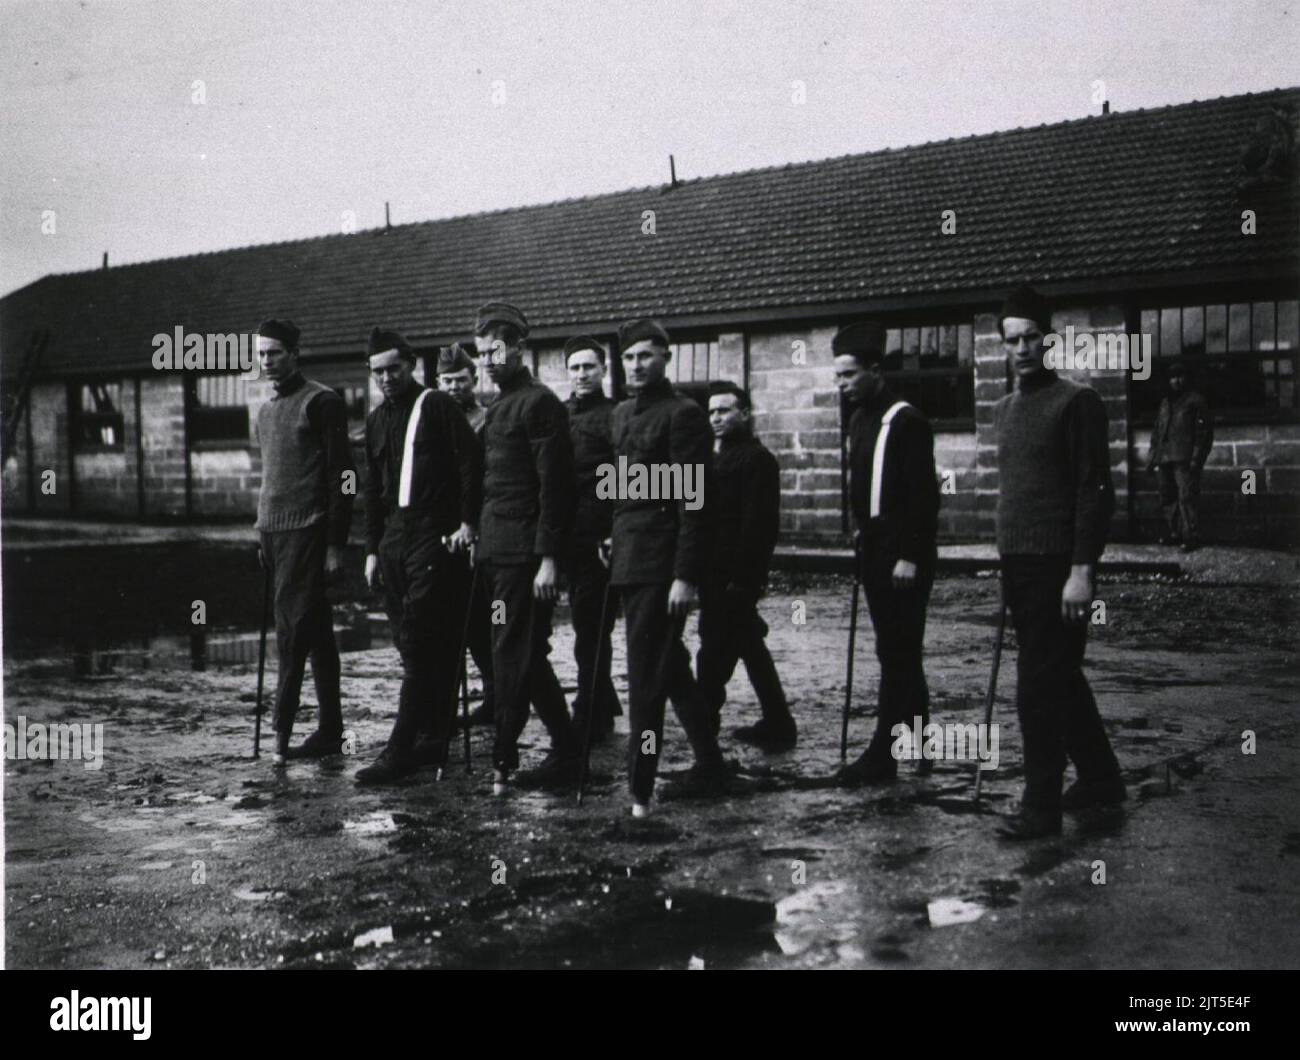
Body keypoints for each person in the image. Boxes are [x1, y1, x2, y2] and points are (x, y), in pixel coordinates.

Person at [994, 285, 1126, 840]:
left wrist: (1081, 571)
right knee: (1060, 677)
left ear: (1049, 340)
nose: (1022, 348)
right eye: (1011, 340)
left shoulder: (1078, 402)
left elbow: (1093, 491)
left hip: (1059, 567)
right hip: (1019, 564)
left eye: (1031, 338)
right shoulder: (1003, 409)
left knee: (1037, 686)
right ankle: (1101, 778)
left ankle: (1040, 807)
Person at [609, 318, 733, 818]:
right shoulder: (620, 415)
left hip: (661, 570)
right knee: (671, 668)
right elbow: (621, 486)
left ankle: (640, 791)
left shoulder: (683, 416)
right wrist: (609, 536)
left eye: (646, 356)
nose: (637, 366)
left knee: (645, 681)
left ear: (666, 357)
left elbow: (693, 502)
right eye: (629, 357)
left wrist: (685, 575)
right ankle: (710, 760)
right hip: (627, 560)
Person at [355, 327, 480, 784]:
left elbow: (469, 464)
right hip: (392, 538)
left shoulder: (438, 405)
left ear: (410, 365)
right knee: (418, 642)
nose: (387, 378)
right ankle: (434, 733)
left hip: (433, 531)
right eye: (378, 372)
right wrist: (370, 550)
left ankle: (399, 749)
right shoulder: (373, 421)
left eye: (394, 369)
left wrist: (468, 522)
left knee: (421, 637)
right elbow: (372, 492)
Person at [475, 302, 580, 795]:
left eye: (496, 351)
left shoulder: (541, 403)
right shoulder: (497, 405)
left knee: (512, 650)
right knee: (522, 654)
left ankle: (504, 756)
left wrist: (549, 559)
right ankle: (568, 749)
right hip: (495, 552)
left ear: (520, 349)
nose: (488, 361)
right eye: (481, 354)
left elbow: (554, 488)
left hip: (525, 556)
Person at [830, 321, 940, 786]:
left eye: (850, 375)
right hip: (872, 547)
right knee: (896, 651)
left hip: (902, 554)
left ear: (875, 370)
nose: (843, 385)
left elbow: (923, 497)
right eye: (838, 377)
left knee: (898, 652)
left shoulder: (905, 419)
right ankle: (919, 742)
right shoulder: (858, 419)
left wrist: (910, 555)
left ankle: (884, 754)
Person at [254, 318, 355, 765]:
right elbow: (273, 477)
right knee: (315, 634)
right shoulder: (266, 411)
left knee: (292, 634)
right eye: (260, 354)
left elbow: (344, 478)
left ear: (295, 352)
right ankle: (331, 731)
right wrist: (262, 531)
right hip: (273, 535)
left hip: (309, 533)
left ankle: (280, 736)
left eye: (274, 353)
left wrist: (337, 543)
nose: (267, 362)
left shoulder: (323, 403)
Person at [695, 380, 795, 751]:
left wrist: (745, 579)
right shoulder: (713, 457)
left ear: (745, 414)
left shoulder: (757, 460)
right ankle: (779, 722)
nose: (716, 418)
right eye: (711, 412)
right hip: (713, 572)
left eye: (724, 410)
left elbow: (760, 527)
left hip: (734, 576)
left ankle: (704, 728)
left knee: (713, 652)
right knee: (749, 644)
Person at [563, 335, 623, 745]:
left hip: (597, 541)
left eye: (589, 367)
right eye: (575, 368)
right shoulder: (559, 414)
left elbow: (625, 479)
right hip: (561, 536)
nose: (582, 374)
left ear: (603, 371)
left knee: (591, 627)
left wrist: (613, 531)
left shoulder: (616, 416)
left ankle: (591, 712)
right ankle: (601, 699)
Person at [437, 342, 496, 728]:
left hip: (475, 529)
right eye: (447, 381)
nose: (455, 387)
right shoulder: (431, 419)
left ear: (474, 381)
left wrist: (473, 527)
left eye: (461, 380)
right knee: (445, 623)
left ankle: (496, 695)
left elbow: (485, 479)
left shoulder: (486, 420)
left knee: (480, 621)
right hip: (440, 530)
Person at [1147, 360, 1212, 552]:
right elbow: (1157, 432)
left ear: (1187, 378)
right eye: (1173, 378)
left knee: (1186, 496)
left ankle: (1191, 537)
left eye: (1180, 377)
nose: (1176, 381)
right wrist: (1152, 458)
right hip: (1164, 458)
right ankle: (1176, 533)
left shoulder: (1196, 401)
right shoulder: (1165, 403)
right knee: (1167, 497)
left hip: (1184, 459)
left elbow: (1203, 433)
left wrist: (1196, 459)